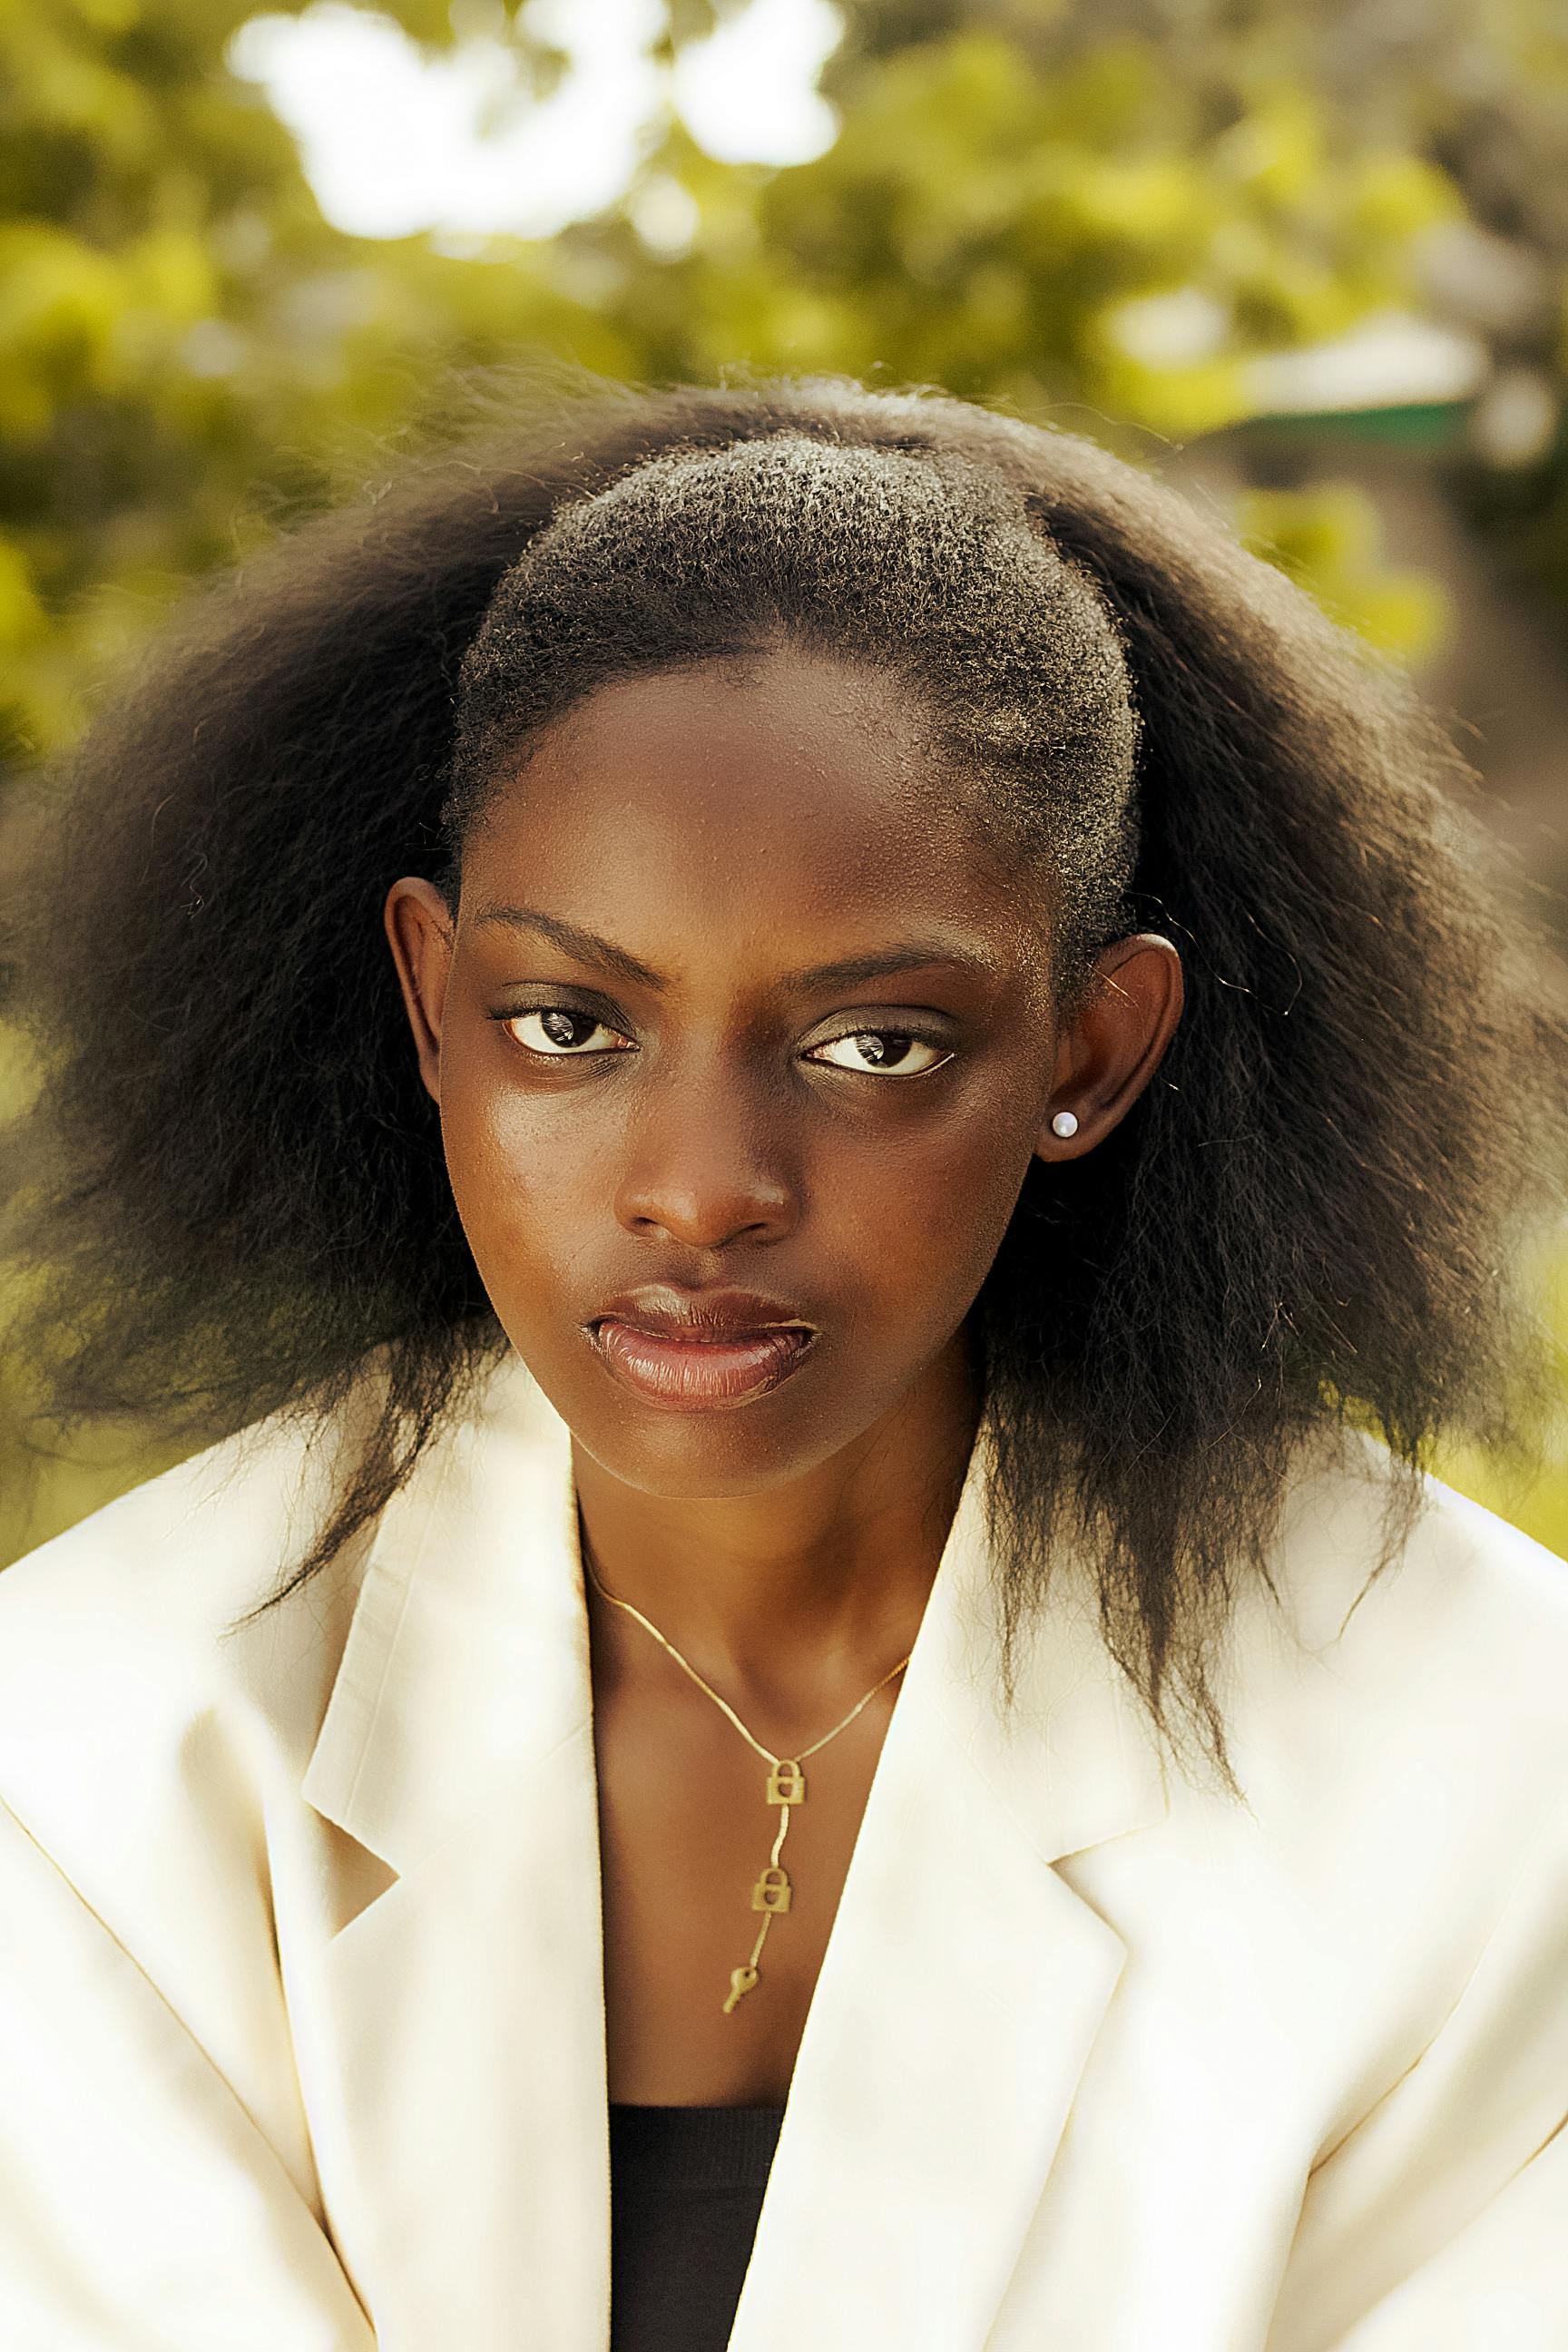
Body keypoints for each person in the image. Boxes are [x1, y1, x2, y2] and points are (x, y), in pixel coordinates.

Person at [0, 368, 1565, 2352]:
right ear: (431, 996)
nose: (700, 1189)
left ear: (1090, 1052)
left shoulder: (1495, 1765)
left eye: (875, 1045)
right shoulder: (84, 1759)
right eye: (571, 1024)